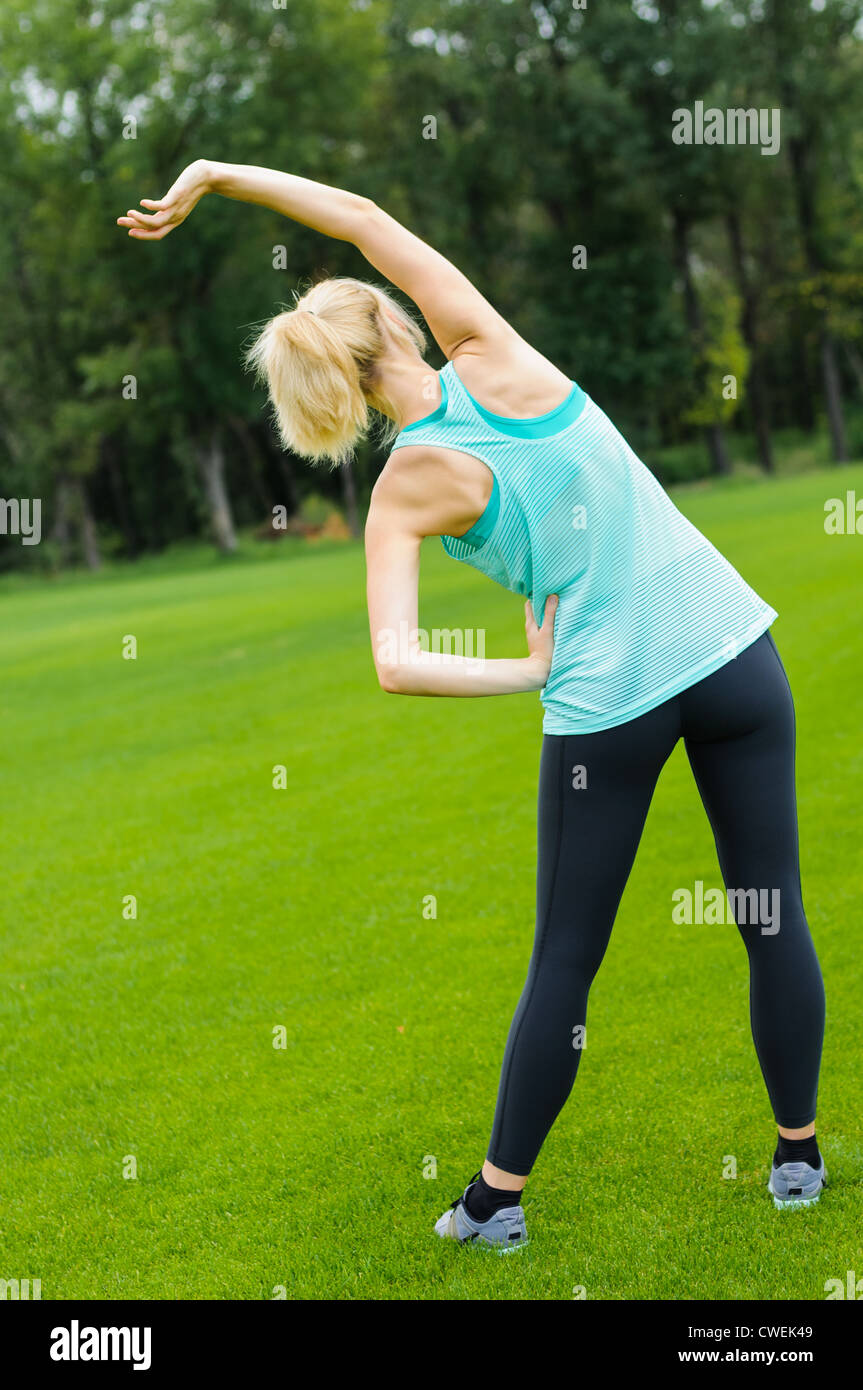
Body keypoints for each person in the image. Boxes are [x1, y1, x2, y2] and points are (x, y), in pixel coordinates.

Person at [118, 162, 827, 1250]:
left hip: (607, 703)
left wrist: (524, 671)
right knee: (767, 911)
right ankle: (796, 1153)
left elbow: (394, 661)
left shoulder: (403, 484)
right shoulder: (492, 350)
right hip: (732, 647)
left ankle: (494, 1202)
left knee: (564, 961)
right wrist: (215, 177)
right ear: (394, 318)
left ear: (338, 385)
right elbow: (357, 217)